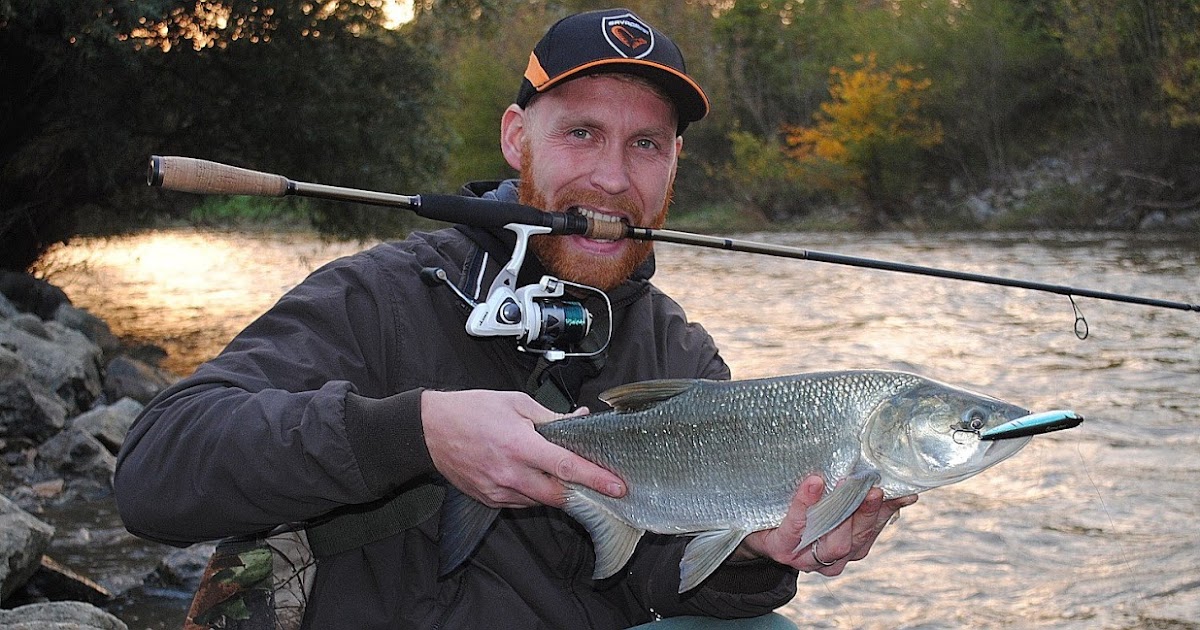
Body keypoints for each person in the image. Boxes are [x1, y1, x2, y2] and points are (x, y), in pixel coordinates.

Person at [115, 8, 916, 629]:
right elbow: (155, 472)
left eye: (645, 144)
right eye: (580, 132)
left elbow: (656, 577)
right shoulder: (382, 297)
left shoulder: (678, 350)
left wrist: (755, 548)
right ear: (514, 137)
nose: (610, 177)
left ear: (675, 164)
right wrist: (414, 432)